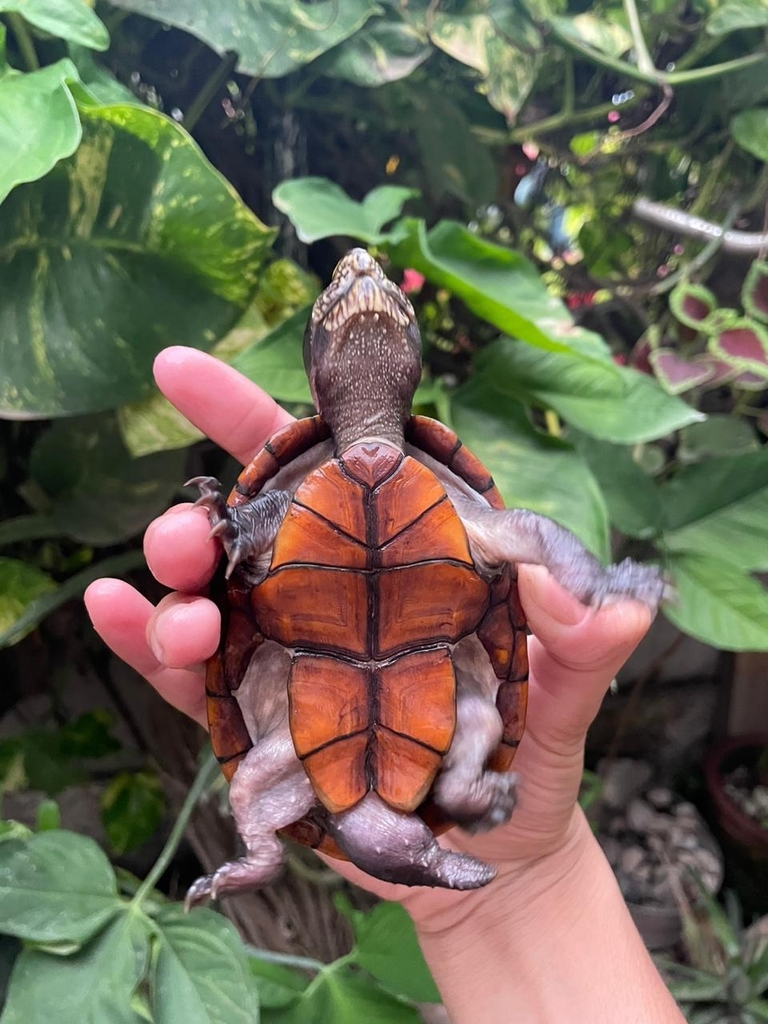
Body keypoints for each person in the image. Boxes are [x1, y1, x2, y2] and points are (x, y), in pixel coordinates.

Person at [85, 346, 686, 1023]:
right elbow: (526, 533)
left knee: (440, 737)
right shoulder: (331, 502)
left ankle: (388, 811)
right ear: (319, 372)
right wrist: (235, 525)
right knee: (438, 740)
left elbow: (527, 533)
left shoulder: (391, 502)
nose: (364, 289)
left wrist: (595, 582)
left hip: (356, 707)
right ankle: (270, 849)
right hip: (336, 697)